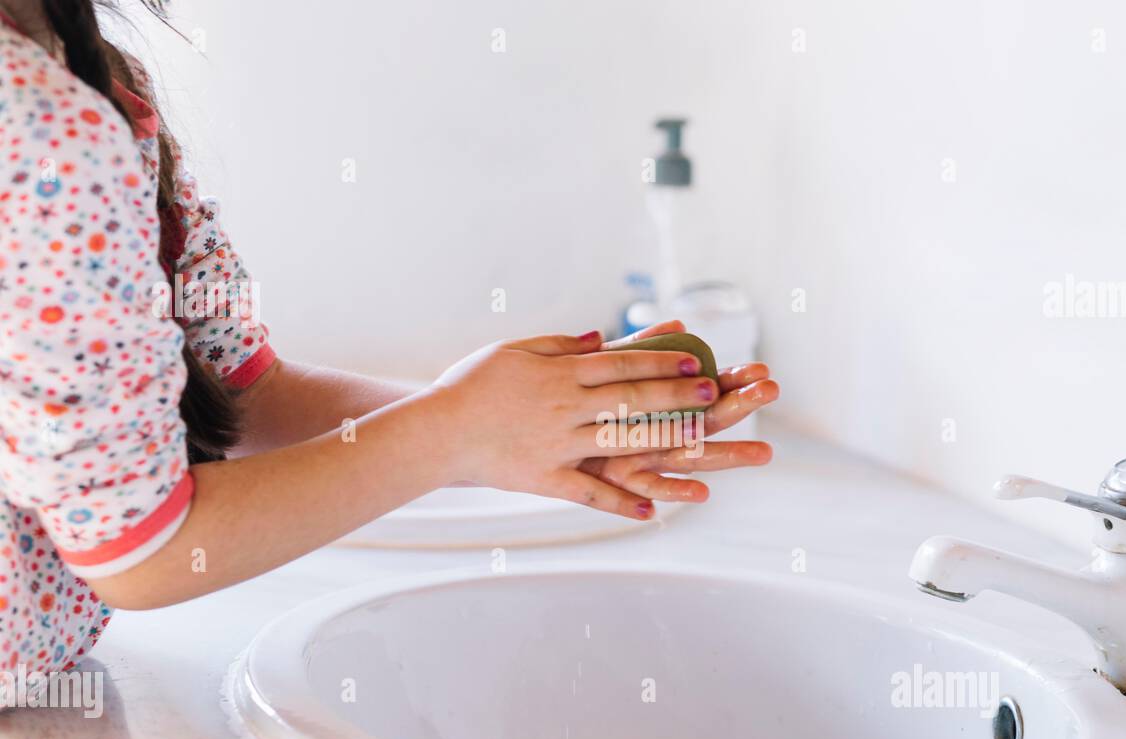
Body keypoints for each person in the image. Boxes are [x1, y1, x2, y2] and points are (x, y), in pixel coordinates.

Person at [0, 0, 778, 683]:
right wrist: (457, 432)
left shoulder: (93, 77)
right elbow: (141, 553)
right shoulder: (42, 126)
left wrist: (517, 426)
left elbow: (236, 383)